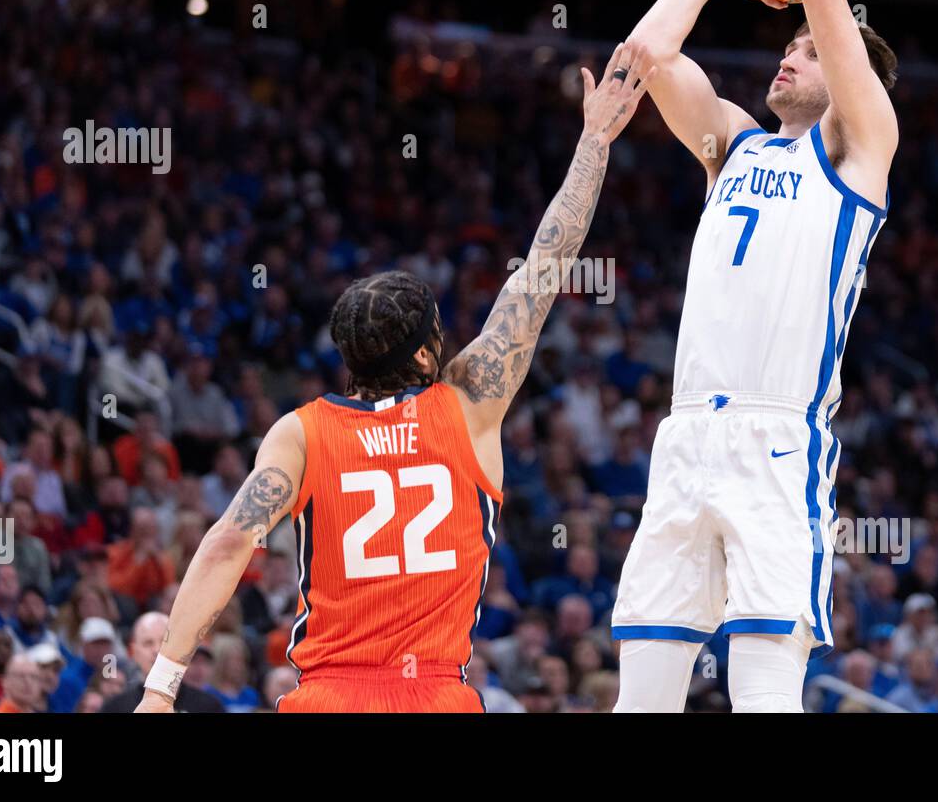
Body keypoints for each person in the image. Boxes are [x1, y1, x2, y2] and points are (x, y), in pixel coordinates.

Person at [135, 43, 655, 713]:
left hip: (328, 698)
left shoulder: (298, 435)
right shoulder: (471, 404)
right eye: (435, 331)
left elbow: (229, 541)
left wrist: (160, 685)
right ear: (420, 357)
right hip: (438, 697)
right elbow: (542, 269)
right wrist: (594, 141)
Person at [613, 0, 898, 712]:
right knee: (643, 699)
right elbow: (647, 55)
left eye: (810, 50)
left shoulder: (859, 152)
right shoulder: (730, 147)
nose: (790, 54)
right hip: (687, 432)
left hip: (780, 439)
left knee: (764, 693)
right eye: (792, 45)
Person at [101, 611, 224, 712]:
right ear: (133, 652)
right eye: (148, 643)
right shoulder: (114, 708)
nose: (157, 650)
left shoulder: (209, 707)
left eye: (164, 641)